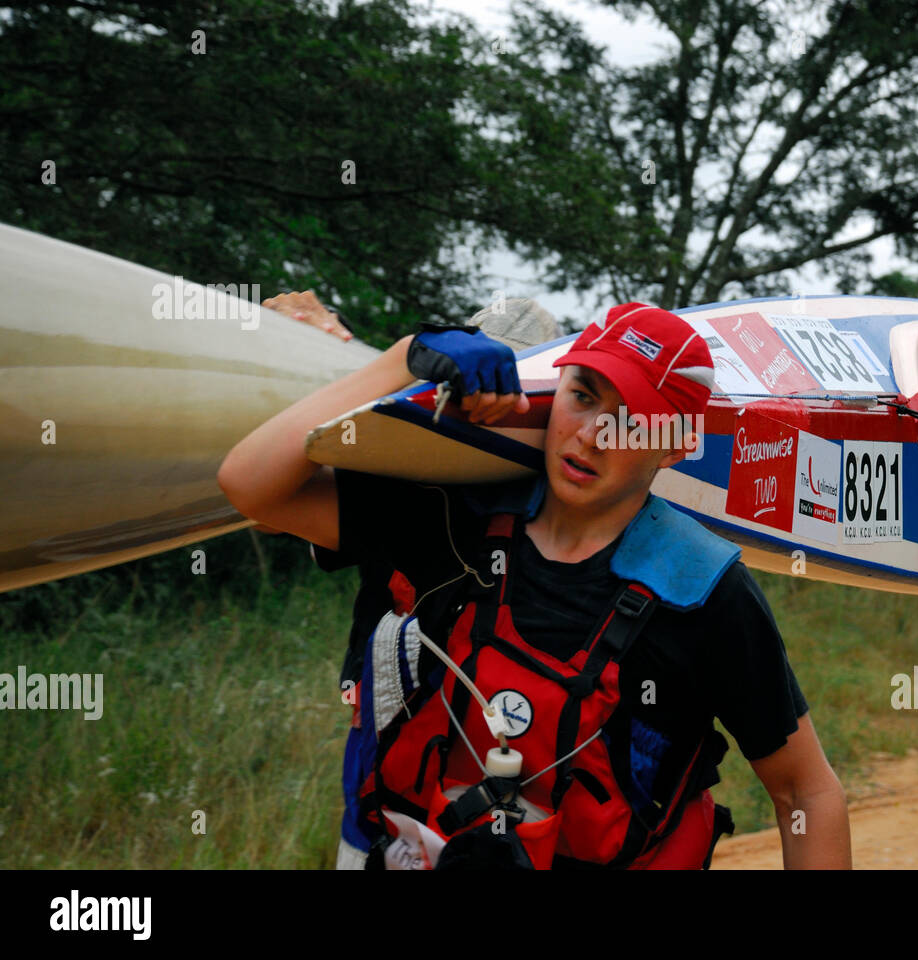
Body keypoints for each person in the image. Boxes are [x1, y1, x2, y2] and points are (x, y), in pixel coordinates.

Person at [218, 300, 851, 869]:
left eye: (632, 421)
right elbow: (249, 483)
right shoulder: (456, 522)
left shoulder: (704, 593)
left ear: (677, 446)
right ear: (554, 391)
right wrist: (404, 358)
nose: (591, 434)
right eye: (583, 395)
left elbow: (806, 792)